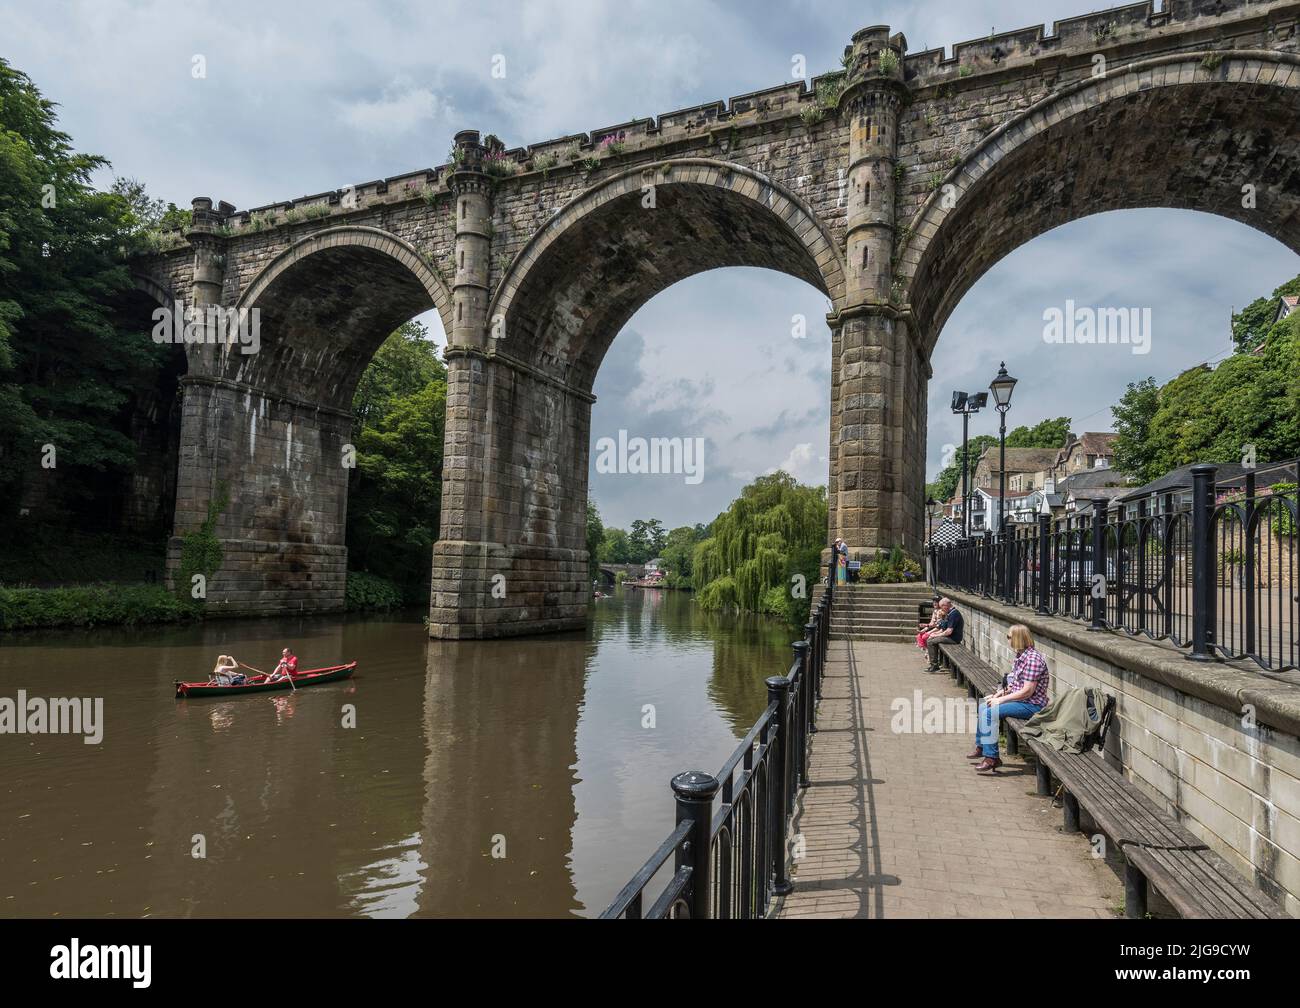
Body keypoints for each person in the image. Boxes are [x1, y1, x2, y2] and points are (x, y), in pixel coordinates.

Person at [970, 624, 1050, 773]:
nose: (1007, 639)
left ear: (1017, 638)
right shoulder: (1021, 655)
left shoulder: (1033, 659)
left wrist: (1000, 701)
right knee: (983, 705)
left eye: (1009, 636)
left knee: (989, 712)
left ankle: (992, 758)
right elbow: (1016, 683)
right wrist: (999, 694)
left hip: (1032, 705)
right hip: (1021, 701)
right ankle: (982, 746)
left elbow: (1027, 691)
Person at [924, 598, 962, 671]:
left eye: (942, 607)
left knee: (930, 642)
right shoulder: (950, 613)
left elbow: (949, 631)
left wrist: (937, 635)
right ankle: (934, 664)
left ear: (946, 605)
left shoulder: (954, 614)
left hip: (953, 638)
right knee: (931, 639)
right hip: (950, 637)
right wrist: (936, 633)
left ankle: (934, 665)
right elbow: (943, 628)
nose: (942, 609)